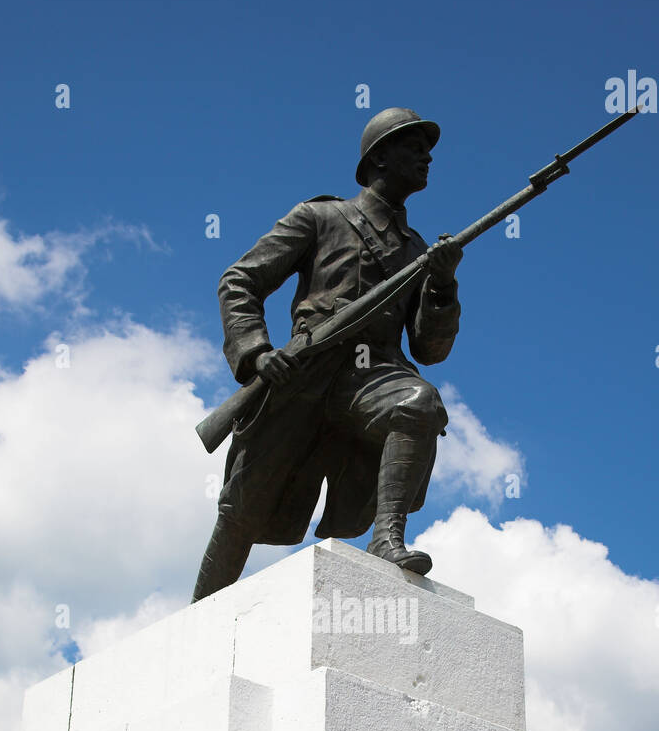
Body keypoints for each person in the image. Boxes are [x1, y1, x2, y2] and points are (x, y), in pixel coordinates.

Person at [192, 107, 463, 601]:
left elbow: (429, 348)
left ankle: (387, 539)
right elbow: (240, 280)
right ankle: (197, 619)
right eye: (414, 147)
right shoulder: (319, 217)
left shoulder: (418, 249)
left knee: (418, 403)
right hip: (304, 370)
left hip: (372, 376)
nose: (427, 158)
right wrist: (255, 352)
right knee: (244, 506)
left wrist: (442, 285)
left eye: (429, 150)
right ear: (379, 157)